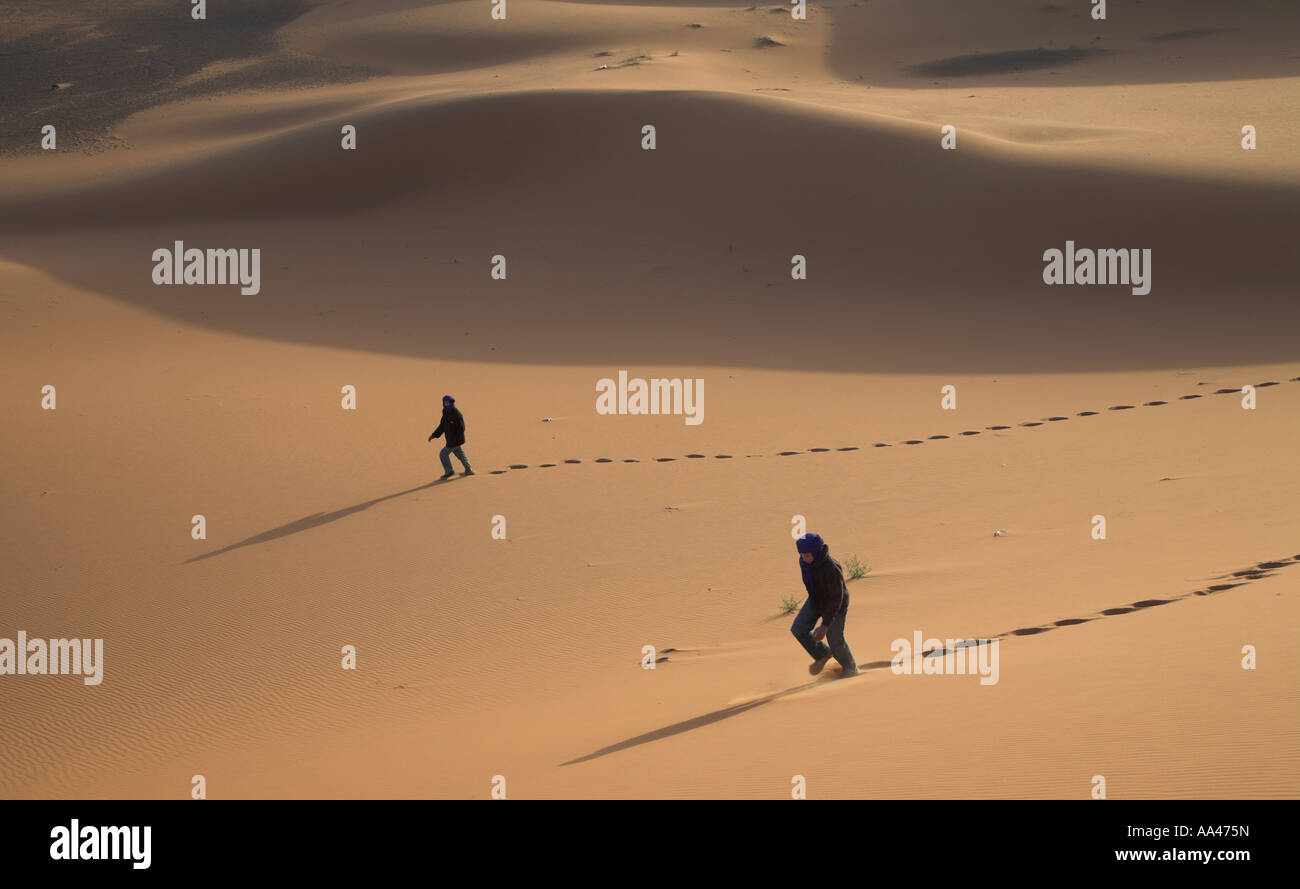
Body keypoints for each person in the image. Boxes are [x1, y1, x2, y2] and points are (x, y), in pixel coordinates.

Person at [791, 532, 858, 677]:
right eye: (801, 554)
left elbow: (836, 598)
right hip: (816, 599)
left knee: (836, 642)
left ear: (816, 551)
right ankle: (822, 653)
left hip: (836, 605)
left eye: (807, 555)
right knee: (798, 628)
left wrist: (825, 625)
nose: (804, 558)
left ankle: (850, 670)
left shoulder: (831, 568)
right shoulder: (804, 562)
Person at [428, 394, 473, 479]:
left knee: (443, 454)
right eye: (445, 402)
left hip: (454, 441)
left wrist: (454, 440)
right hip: (451, 440)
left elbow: (462, 428)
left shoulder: (457, 414)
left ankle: (449, 471)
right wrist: (433, 435)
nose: (446, 404)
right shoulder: (445, 413)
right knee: (460, 454)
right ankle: (468, 469)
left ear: (452, 403)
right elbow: (442, 426)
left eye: (447, 402)